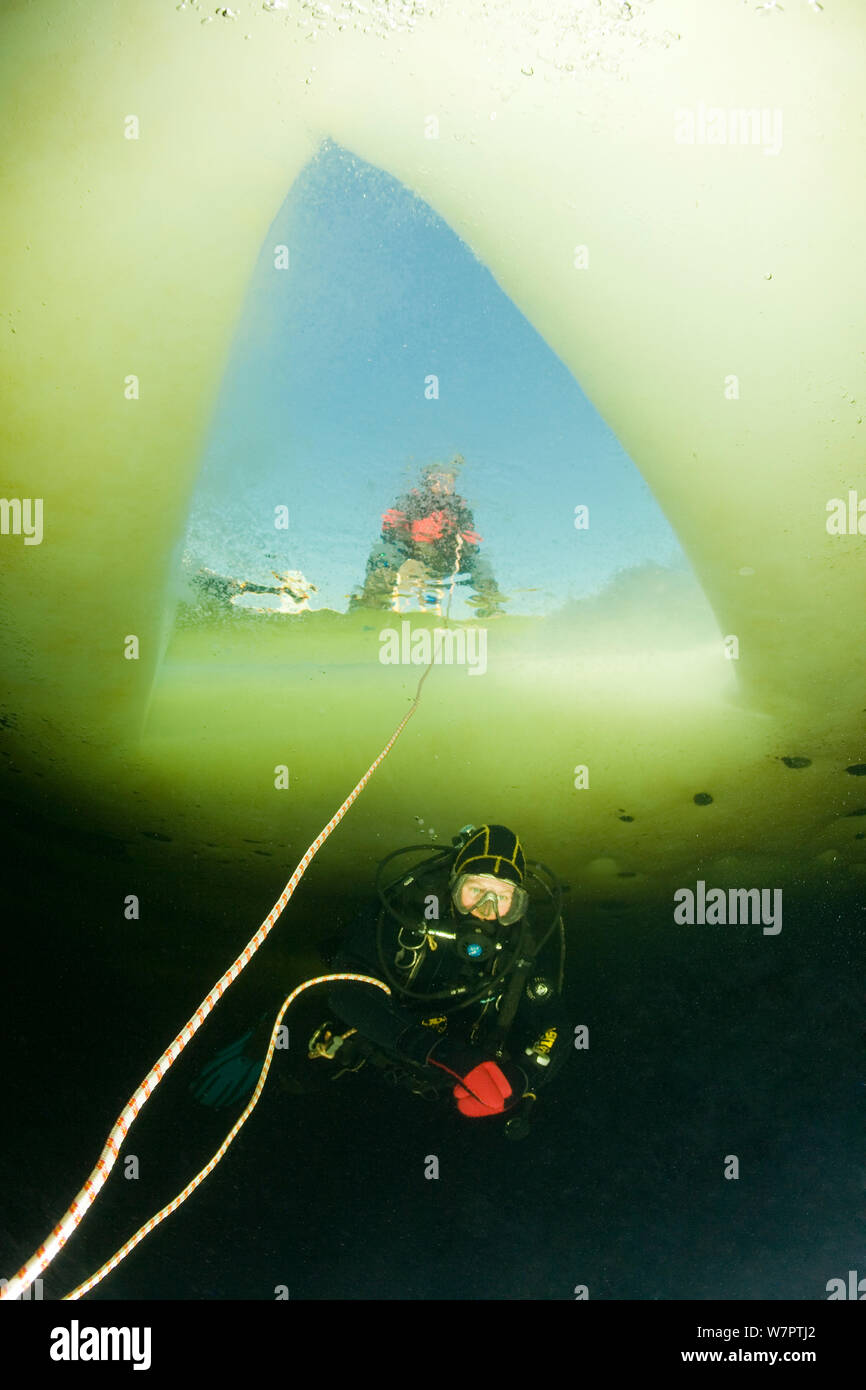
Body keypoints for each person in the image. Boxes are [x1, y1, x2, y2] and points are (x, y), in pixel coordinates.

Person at [319, 824, 568, 1132]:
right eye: (475, 890)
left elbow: (555, 1023)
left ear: (517, 905)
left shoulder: (521, 949)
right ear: (453, 885)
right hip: (368, 1069)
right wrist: (439, 1051)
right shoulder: (405, 914)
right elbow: (346, 991)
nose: (485, 909)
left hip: (453, 1098)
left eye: (503, 897)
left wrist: (525, 1075)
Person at [350, 456, 507, 617]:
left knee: (480, 563)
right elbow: (390, 526)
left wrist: (462, 544)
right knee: (383, 552)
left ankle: (492, 607)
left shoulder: (460, 509)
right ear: (428, 482)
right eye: (437, 479)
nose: (443, 484)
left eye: (448, 480)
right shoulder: (412, 502)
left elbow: (471, 541)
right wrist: (405, 537)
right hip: (413, 555)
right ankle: (372, 603)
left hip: (445, 557)